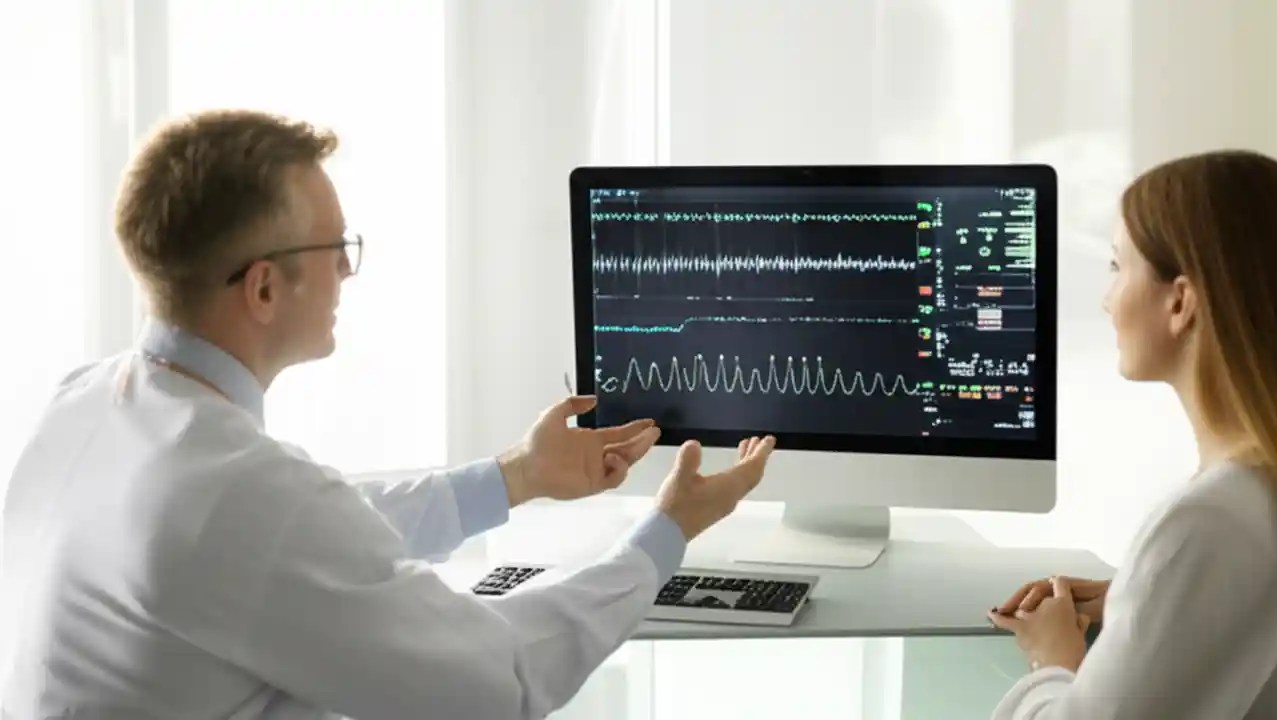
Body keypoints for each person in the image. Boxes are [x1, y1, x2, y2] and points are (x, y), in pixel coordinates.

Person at [0, 109, 777, 720]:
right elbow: (503, 683)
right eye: (334, 246)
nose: (346, 267)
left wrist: (515, 477)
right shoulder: (232, 497)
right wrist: (667, 531)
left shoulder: (89, 403)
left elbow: (308, 536)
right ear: (264, 289)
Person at [987, 149, 1277, 718]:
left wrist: (1053, 658)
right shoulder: (1251, 500)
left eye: (1118, 267)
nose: (1105, 298)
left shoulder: (1208, 522)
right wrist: (1137, 595)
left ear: (1180, 301)